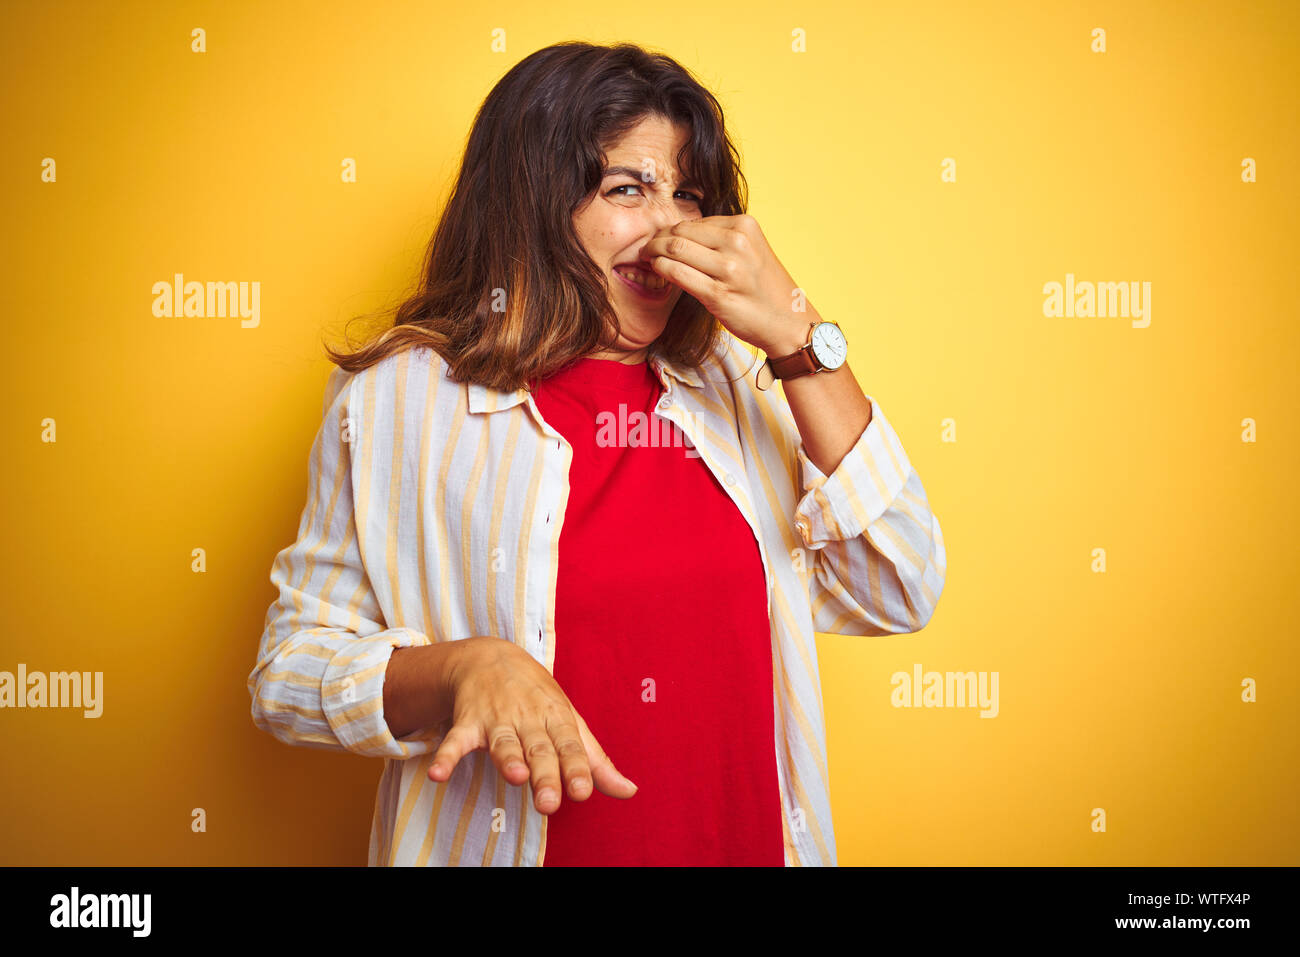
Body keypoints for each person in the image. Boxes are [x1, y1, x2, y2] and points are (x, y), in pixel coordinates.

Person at [247, 40, 947, 866]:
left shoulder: (737, 378)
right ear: (532, 204)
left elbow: (898, 585)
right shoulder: (399, 401)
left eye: (688, 197)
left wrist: (798, 338)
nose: (668, 229)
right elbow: (288, 672)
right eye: (629, 189)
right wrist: (463, 669)